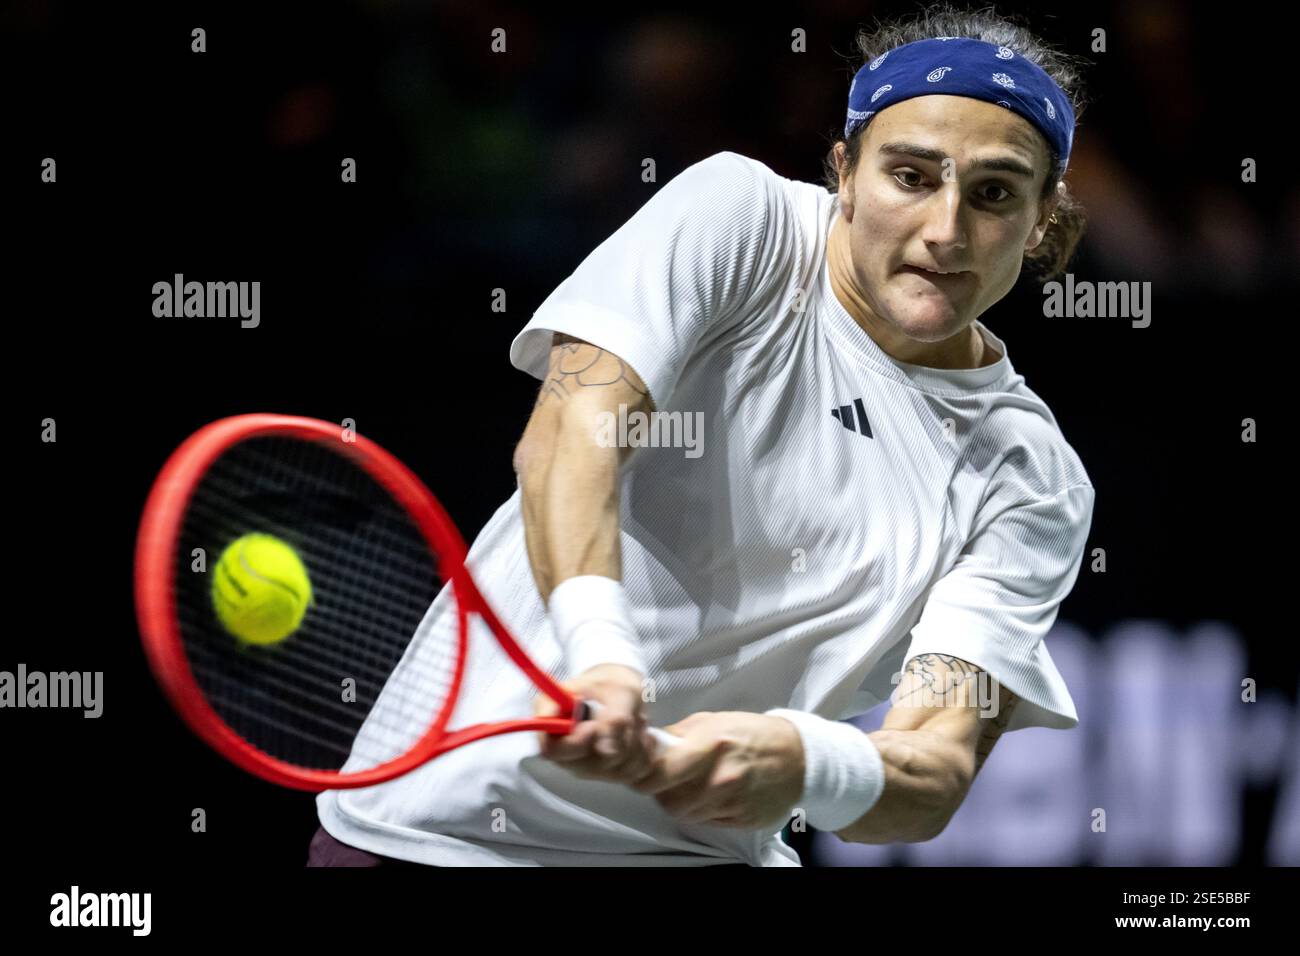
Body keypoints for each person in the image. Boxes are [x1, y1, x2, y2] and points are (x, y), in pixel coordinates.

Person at [309, 3, 1096, 867]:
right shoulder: (741, 220)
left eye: (993, 194)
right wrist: (603, 656)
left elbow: (931, 772)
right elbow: (570, 435)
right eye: (909, 177)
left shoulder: (1029, 477)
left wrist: (804, 762)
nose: (946, 230)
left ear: (1043, 215)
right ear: (844, 170)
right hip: (436, 835)